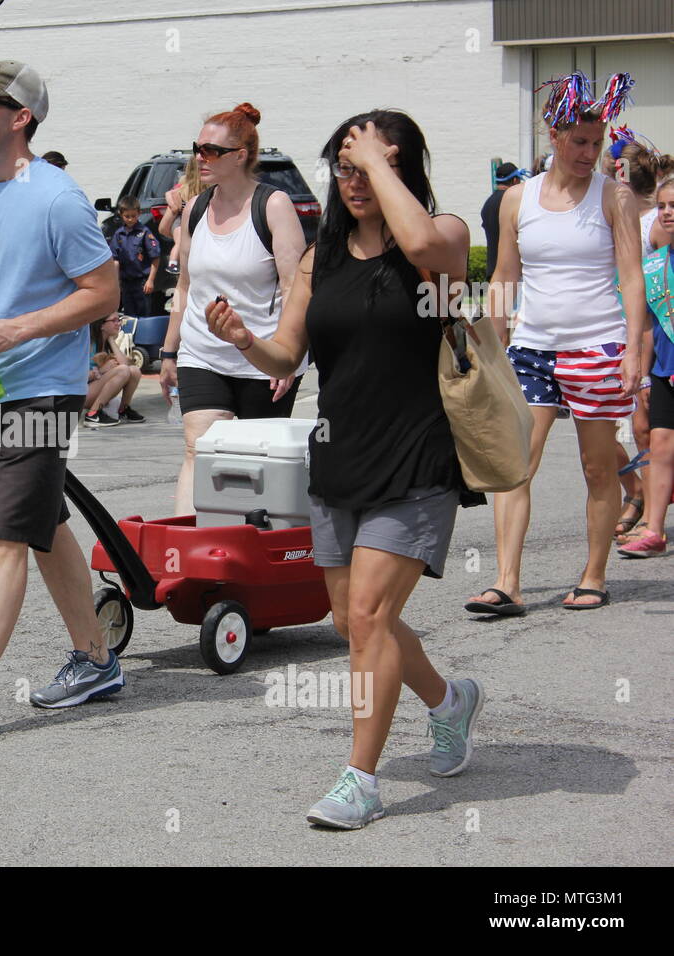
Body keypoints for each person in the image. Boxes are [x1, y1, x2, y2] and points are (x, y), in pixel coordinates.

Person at [208, 109, 481, 829]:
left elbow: (418, 235)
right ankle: (449, 701)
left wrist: (381, 162)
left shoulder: (440, 240)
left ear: (404, 166)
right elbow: (285, 356)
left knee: (367, 617)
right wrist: (244, 339)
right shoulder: (317, 259)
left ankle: (360, 778)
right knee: (351, 622)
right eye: (346, 166)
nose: (355, 180)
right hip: (338, 454)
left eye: (371, 165)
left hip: (418, 455)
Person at [0, 59, 122, 737]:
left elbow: (103, 293)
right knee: (42, 525)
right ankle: (96, 660)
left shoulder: (60, 199)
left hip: (45, 390)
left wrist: (16, 330)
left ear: (22, 117)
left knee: (7, 533)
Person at [467, 71, 645, 614]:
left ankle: (593, 575)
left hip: (598, 346)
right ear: (554, 135)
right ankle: (507, 582)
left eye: (597, 142)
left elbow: (632, 276)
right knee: (515, 463)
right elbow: (503, 275)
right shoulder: (517, 200)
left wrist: (635, 348)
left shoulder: (614, 197)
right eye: (580, 142)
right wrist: (491, 344)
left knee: (596, 467)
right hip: (533, 348)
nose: (590, 152)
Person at [159, 103, 307, 517]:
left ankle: (252, 552)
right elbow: (186, 285)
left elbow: (296, 285)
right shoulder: (195, 209)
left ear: (240, 156)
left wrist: (288, 358)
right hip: (202, 353)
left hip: (261, 353)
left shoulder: (273, 205)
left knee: (256, 461)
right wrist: (170, 353)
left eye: (210, 151)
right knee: (197, 446)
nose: (199, 159)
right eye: (197, 148)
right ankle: (189, 550)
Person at [610, 142, 673, 540]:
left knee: (647, 431)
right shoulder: (608, 215)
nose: (668, 213)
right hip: (634, 338)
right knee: (647, 434)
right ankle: (648, 513)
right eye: (666, 206)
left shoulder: (652, 227)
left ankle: (645, 505)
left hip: (645, 335)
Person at [84, 313, 144, 426]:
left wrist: (111, 340)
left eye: (119, 320)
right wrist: (101, 371)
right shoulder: (89, 345)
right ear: (102, 325)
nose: (119, 323)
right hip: (81, 393)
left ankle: (122, 409)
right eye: (114, 320)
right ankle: (92, 414)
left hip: (94, 389)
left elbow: (125, 365)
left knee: (134, 371)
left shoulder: (106, 343)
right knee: (122, 370)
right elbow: (77, 376)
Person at [107, 195, 160, 317]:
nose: (130, 219)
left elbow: (155, 257)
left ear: (139, 213)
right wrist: (116, 282)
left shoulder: (144, 233)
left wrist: (150, 280)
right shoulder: (118, 235)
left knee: (143, 313)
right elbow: (115, 260)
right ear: (121, 214)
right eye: (127, 216)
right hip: (126, 283)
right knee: (129, 314)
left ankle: (145, 336)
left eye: (133, 216)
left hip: (142, 282)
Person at [159, 156, 203, 275]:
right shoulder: (215, 193)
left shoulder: (182, 191)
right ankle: (172, 263)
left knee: (180, 240)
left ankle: (173, 263)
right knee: (180, 240)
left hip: (192, 258)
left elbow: (163, 228)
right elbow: (171, 195)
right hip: (203, 257)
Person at [480, 161, 521, 277]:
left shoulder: (488, 203)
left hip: (493, 271)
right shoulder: (511, 202)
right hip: (510, 271)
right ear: (515, 181)